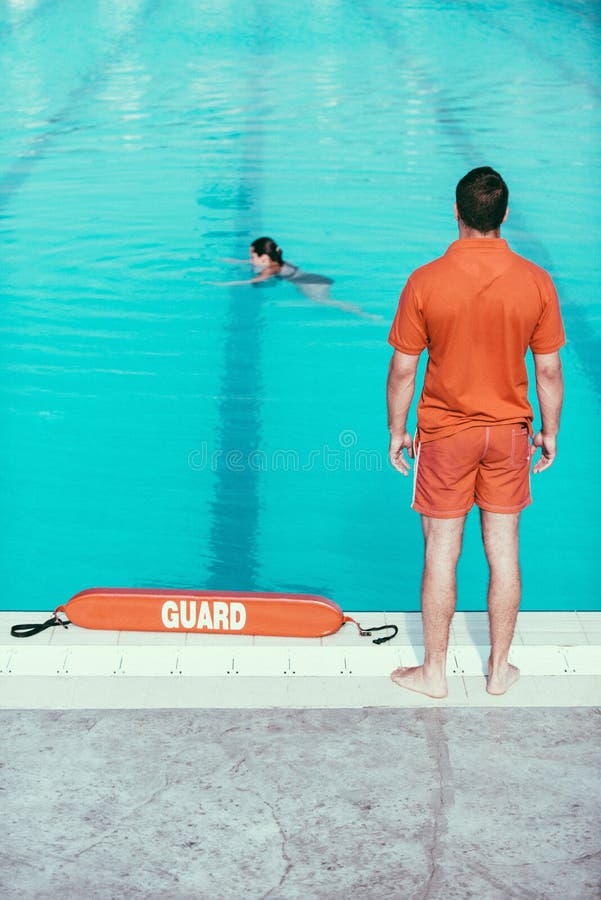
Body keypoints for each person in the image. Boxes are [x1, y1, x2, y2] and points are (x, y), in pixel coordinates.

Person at [386, 166, 565, 698]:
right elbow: (549, 371)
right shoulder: (535, 280)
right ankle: (499, 671)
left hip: (444, 435)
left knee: (442, 548)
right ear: (505, 215)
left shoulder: (425, 280)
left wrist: (397, 430)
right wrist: (550, 432)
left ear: (456, 212)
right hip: (510, 433)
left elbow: (402, 370)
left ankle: (434, 673)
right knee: (504, 549)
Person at [219, 236, 383, 321]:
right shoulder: (276, 261)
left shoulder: (271, 269)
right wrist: (232, 261)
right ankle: (365, 313)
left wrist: (223, 284)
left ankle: (367, 316)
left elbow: (253, 281)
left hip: (310, 284)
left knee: (328, 302)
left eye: (252, 256)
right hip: (313, 278)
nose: (250, 259)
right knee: (328, 301)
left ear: (264, 258)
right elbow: (253, 264)